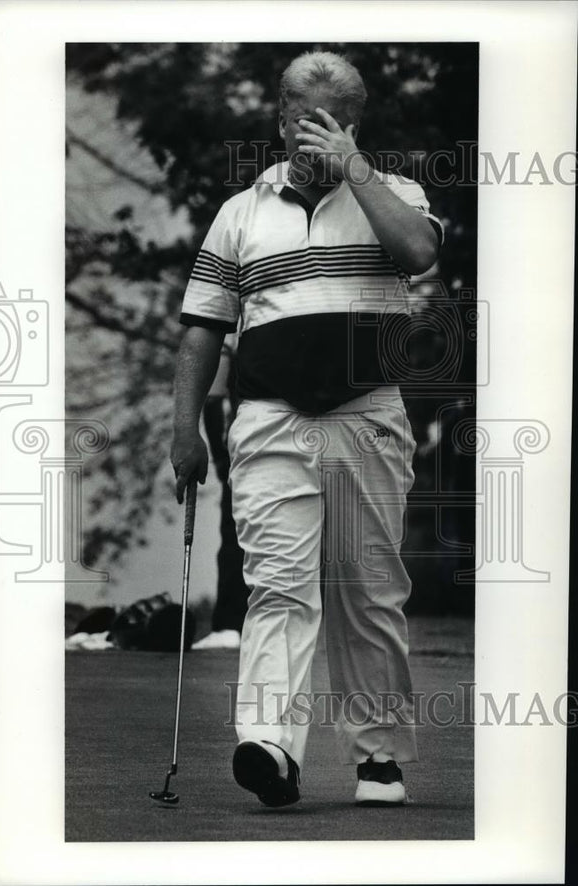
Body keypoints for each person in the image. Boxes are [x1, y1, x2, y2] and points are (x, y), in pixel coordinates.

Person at [171, 51, 443, 807]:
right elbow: (201, 329)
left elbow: (418, 252)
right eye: (300, 122)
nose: (312, 137)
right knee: (278, 589)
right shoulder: (241, 211)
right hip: (268, 418)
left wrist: (355, 168)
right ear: (280, 122)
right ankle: (270, 748)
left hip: (365, 416)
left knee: (367, 590)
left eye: (332, 122)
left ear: (354, 124)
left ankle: (380, 758)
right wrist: (182, 429)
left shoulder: (397, 194)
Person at [191, 335, 249, 650]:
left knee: (239, 528)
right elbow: (214, 395)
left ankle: (234, 622)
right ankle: (230, 623)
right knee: (234, 526)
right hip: (239, 418)